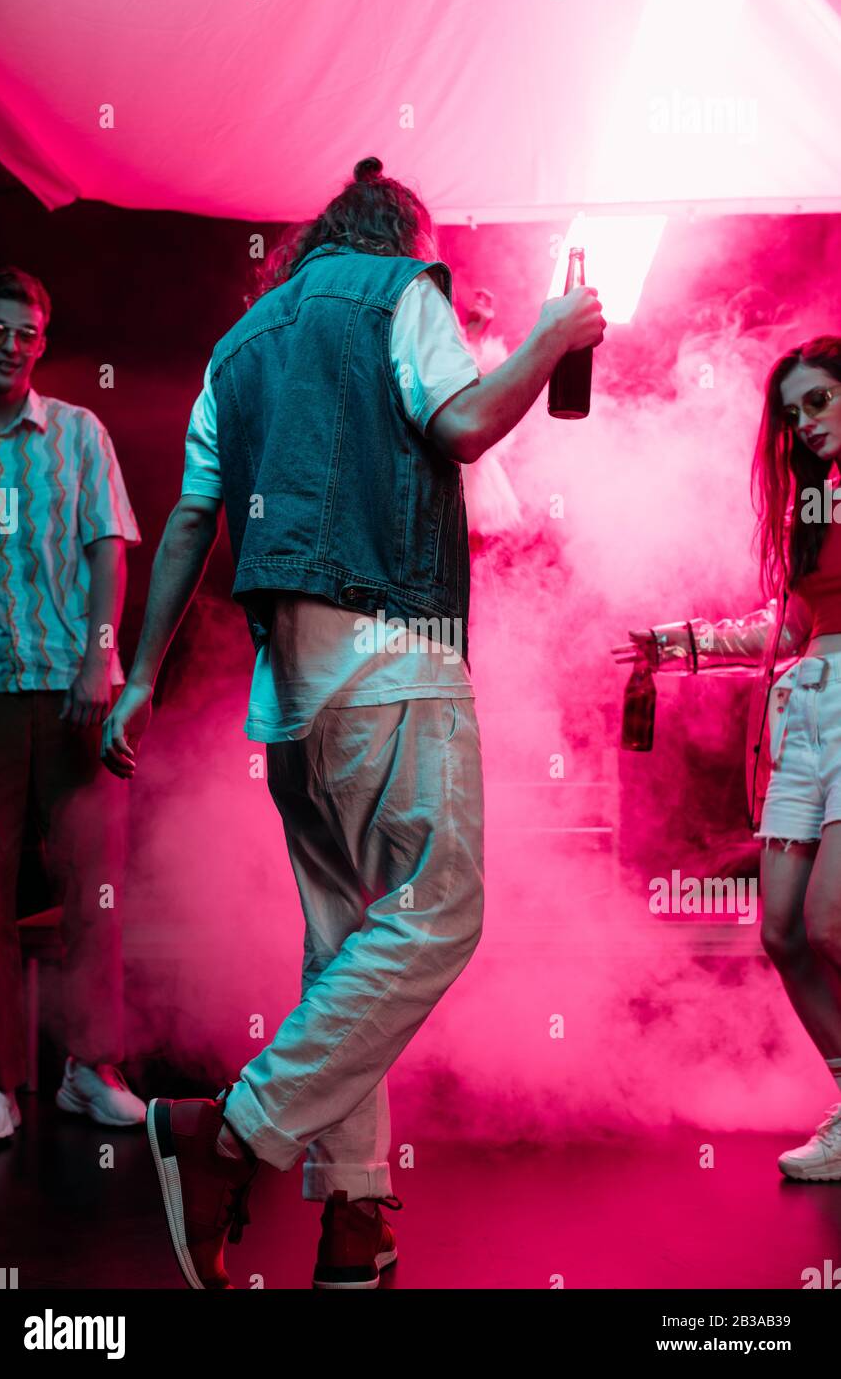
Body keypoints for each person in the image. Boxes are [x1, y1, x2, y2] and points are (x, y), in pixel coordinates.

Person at [101, 156, 605, 1289]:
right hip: (393, 665)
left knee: (343, 952)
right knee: (441, 913)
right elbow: (467, 421)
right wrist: (552, 334)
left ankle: (355, 1219)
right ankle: (226, 1130)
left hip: (289, 700)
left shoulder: (239, 347)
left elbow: (189, 522)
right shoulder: (400, 287)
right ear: (400, 234)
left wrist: (139, 679)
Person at [614, 335, 841, 1183]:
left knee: (828, 921)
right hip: (806, 713)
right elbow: (784, 629)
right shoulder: (809, 510)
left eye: (818, 401)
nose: (803, 425)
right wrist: (676, 644)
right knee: (781, 930)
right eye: (792, 414)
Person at [0, 266, 145, 1140]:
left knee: (95, 889)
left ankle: (90, 1068)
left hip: (72, 689)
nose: (11, 346)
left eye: (26, 333)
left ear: (42, 343)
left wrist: (99, 660)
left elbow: (107, 550)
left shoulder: (79, 432)